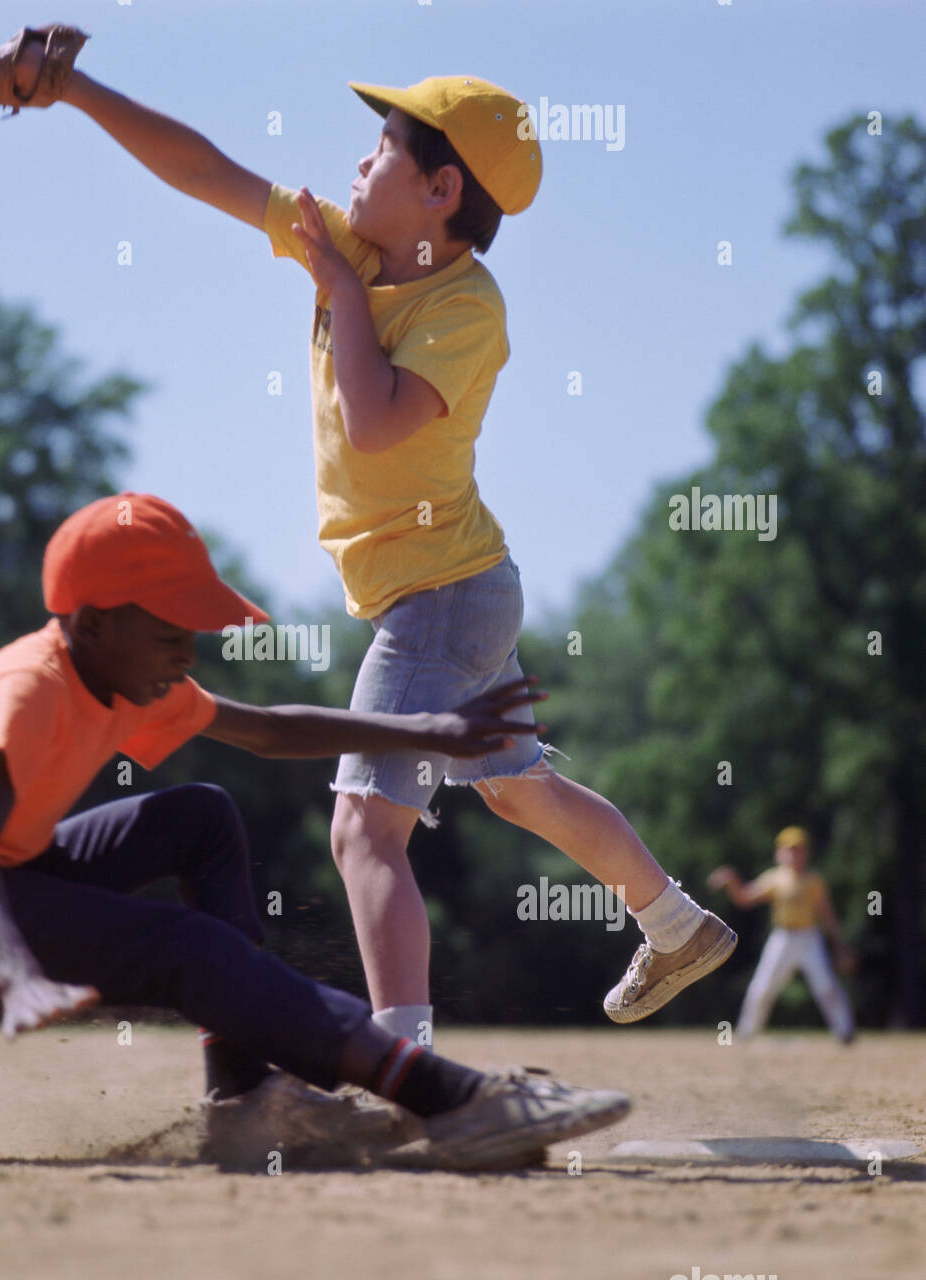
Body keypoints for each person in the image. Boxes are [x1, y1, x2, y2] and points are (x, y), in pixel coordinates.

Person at [42, 55, 736, 1044]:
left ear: (441, 192)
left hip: (441, 599)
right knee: (516, 787)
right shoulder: (357, 250)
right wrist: (75, 90)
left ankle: (405, 1068)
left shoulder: (465, 310)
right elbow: (206, 172)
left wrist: (335, 283)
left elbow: (373, 425)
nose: (356, 167)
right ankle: (672, 923)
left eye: (381, 151)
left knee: (362, 826)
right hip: (460, 589)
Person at [0, 492, 631, 1169]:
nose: (187, 654)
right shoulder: (23, 692)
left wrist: (431, 727)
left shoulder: (126, 675)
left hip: (9, 872)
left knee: (202, 817)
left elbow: (269, 729)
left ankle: (242, 1096)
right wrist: (14, 971)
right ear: (89, 624)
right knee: (187, 947)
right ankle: (449, 1098)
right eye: (169, 634)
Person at [709, 827, 856, 1043]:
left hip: (809, 938)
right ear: (780, 854)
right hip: (783, 938)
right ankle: (747, 1032)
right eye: (789, 850)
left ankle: (845, 1031)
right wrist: (732, 881)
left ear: (806, 853)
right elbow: (744, 898)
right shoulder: (775, 878)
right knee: (762, 987)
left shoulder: (814, 880)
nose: (794, 854)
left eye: (798, 850)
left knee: (826, 987)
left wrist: (839, 946)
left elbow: (827, 914)